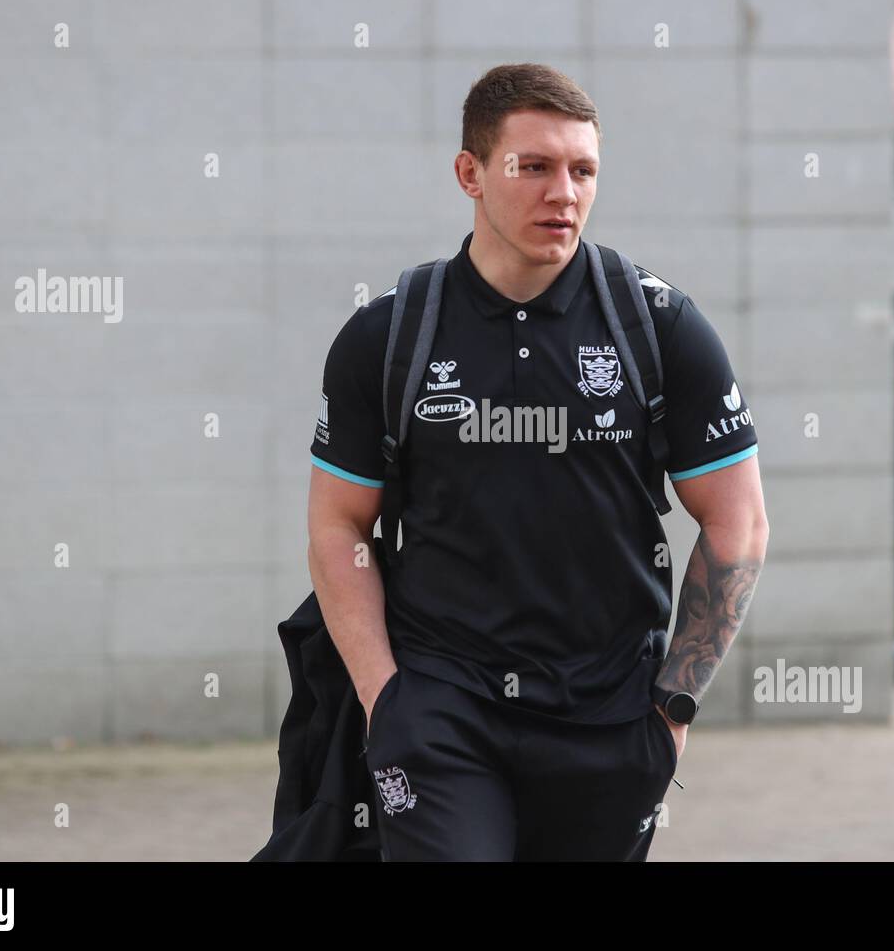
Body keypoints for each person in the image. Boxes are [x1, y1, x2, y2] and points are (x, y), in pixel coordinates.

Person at [307, 63, 768, 860]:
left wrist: (675, 708)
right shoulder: (389, 337)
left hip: (612, 717)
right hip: (444, 706)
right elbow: (337, 524)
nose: (565, 193)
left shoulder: (658, 327)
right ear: (471, 174)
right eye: (535, 167)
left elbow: (739, 522)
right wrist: (387, 699)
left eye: (583, 170)